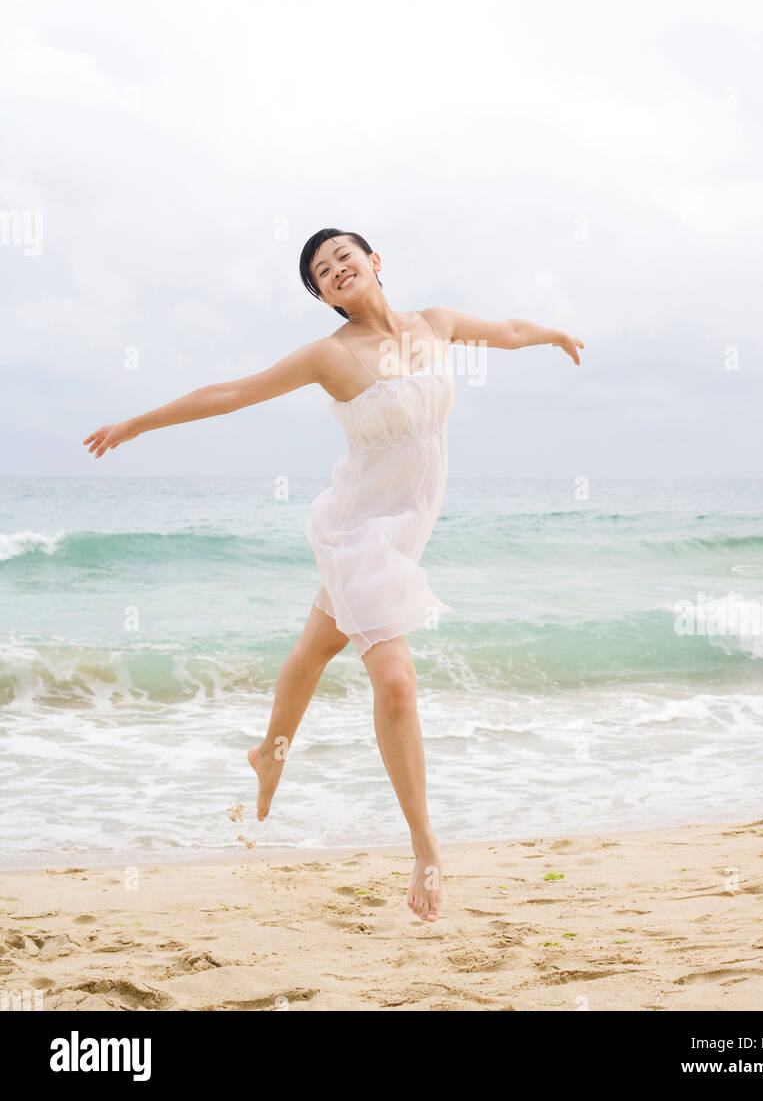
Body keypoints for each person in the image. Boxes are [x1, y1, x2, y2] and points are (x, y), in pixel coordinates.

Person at [83, 227, 583, 922]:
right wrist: (136, 424)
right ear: (323, 296)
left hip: (403, 532)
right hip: (358, 535)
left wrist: (552, 334)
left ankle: (269, 752)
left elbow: (508, 327)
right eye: (322, 271)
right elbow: (233, 392)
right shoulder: (332, 356)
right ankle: (425, 849)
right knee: (398, 683)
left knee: (318, 644)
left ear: (374, 262)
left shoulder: (435, 325)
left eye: (344, 256)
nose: (336, 269)